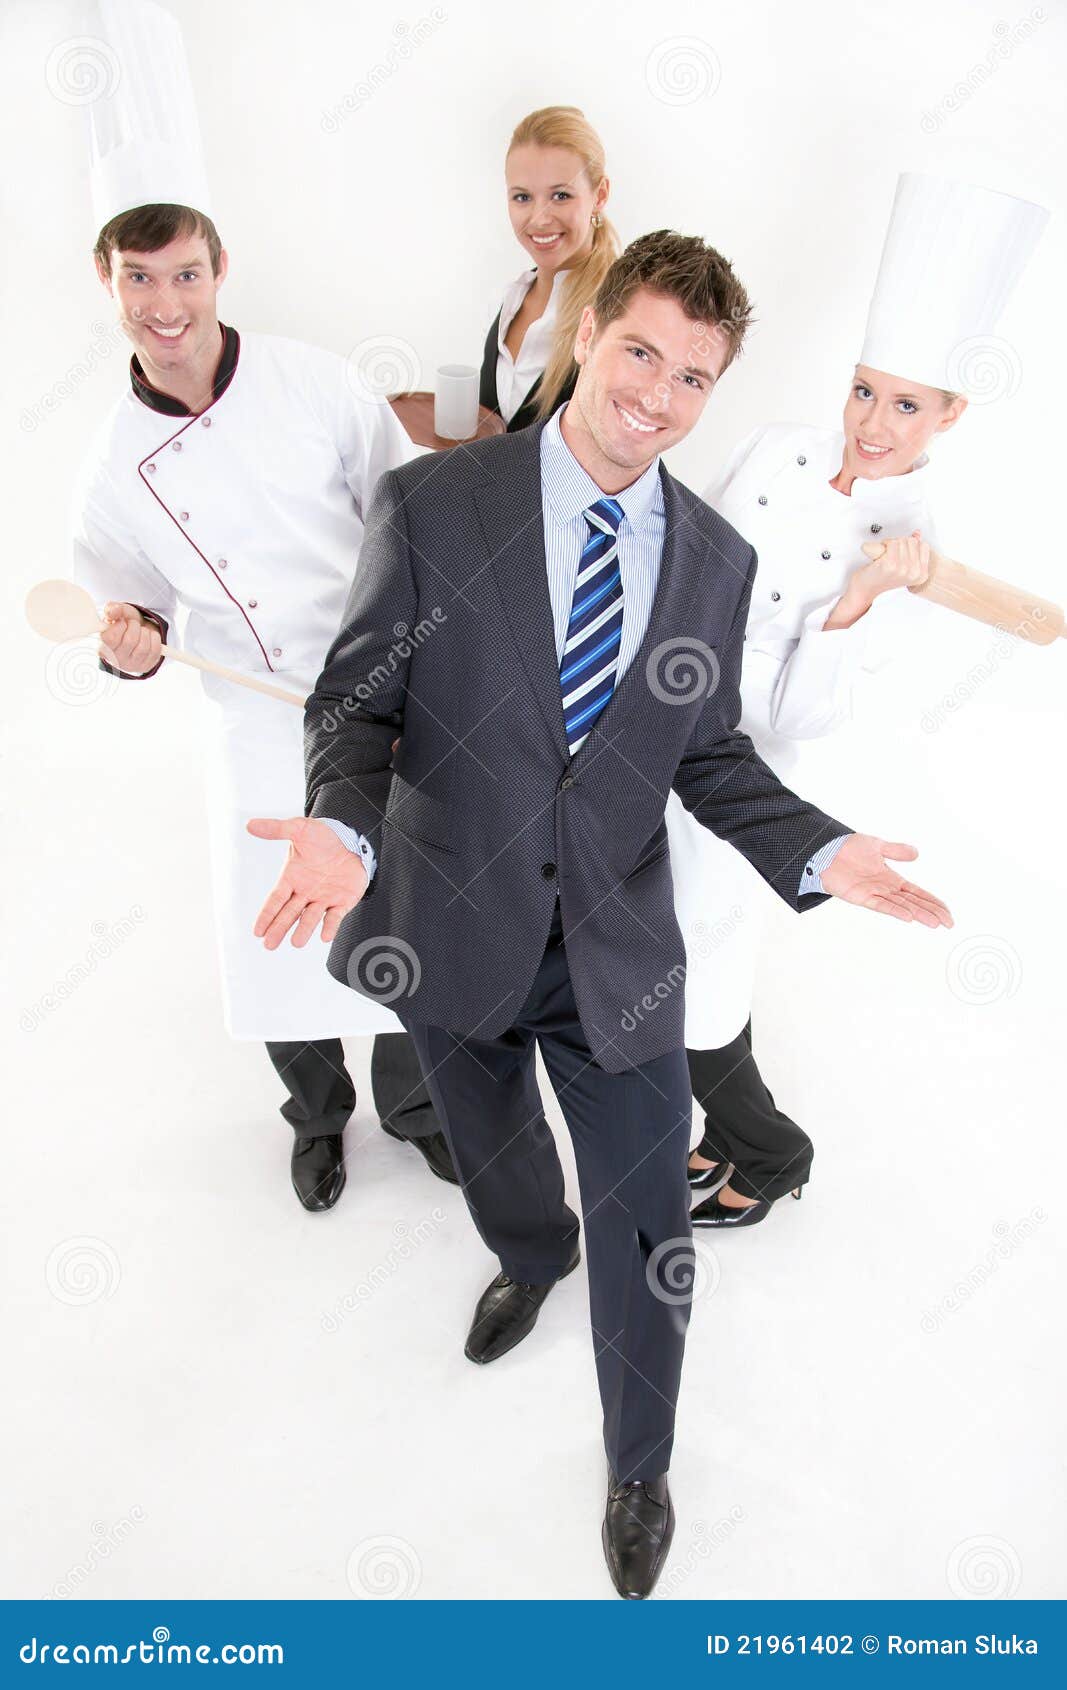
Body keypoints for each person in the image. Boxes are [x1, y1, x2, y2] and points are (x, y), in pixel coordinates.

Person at [248, 230, 953, 1597]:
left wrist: (816, 849)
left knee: (652, 1221)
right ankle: (526, 1252)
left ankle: (639, 1464)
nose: (657, 394)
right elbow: (356, 705)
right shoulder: (439, 504)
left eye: (693, 376)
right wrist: (339, 825)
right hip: (448, 918)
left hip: (618, 955)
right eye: (639, 350)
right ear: (590, 337)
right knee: (493, 1142)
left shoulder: (711, 562)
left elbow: (705, 757)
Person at [70, 1, 456, 1213]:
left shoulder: (314, 382)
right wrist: (129, 649)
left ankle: (412, 1096)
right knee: (271, 923)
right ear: (110, 282)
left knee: (394, 898)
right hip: (249, 727)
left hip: (380, 698)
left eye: (184, 271)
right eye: (140, 278)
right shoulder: (108, 469)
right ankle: (318, 1111)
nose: (165, 302)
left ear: (219, 265)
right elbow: (122, 616)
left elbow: (410, 521)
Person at [669, 172, 1049, 1228]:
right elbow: (679, 551)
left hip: (747, 772)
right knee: (645, 944)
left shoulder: (914, 556)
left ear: (951, 413)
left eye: (907, 404)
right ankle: (720, 1136)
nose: (871, 423)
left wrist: (858, 601)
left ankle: (767, 1150)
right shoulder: (776, 449)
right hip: (652, 721)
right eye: (863, 390)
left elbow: (799, 719)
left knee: (692, 964)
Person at [479, 105, 620, 432]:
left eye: (560, 195)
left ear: (599, 196)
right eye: (522, 197)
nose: (540, 218)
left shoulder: (615, 316)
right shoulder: (509, 301)